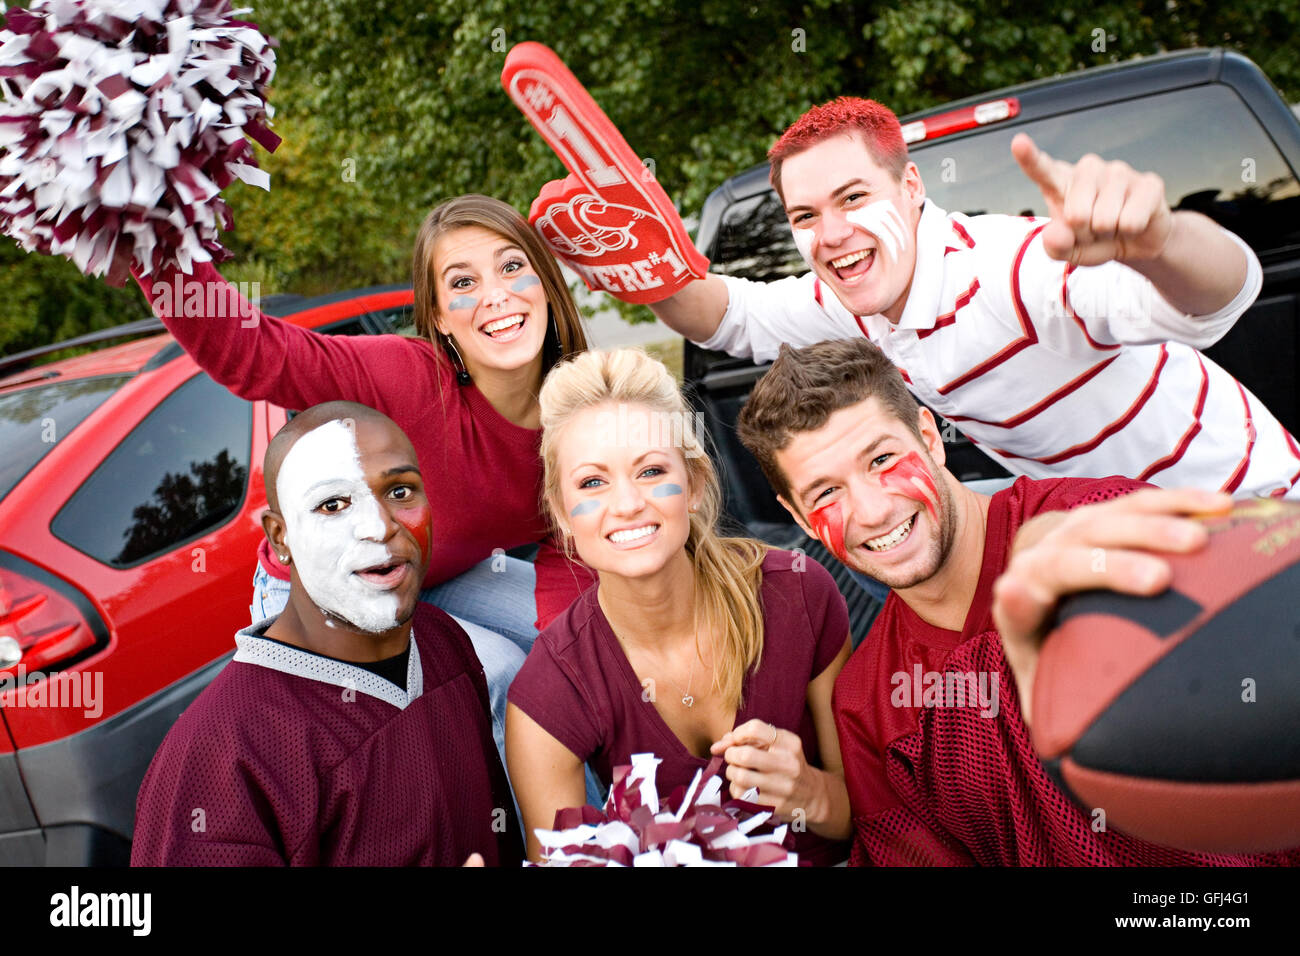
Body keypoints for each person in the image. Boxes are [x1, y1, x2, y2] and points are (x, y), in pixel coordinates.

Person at [523, 88, 1300, 498]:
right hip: (1122, 526)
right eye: (805, 216)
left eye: (853, 198)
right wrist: (655, 277)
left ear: (912, 187)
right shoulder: (845, 298)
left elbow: (1216, 299)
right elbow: (731, 317)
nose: (832, 234)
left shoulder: (1011, 270)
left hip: (1251, 506)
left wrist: (1162, 237)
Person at [735, 337, 1299, 865]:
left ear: (930, 438)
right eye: (826, 492)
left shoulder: (1104, 522)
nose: (874, 511)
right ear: (797, 518)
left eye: (881, 460)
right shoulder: (868, 707)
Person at [134, 194, 596, 764]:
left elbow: (569, 553)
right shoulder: (404, 376)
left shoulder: (574, 414)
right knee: (498, 676)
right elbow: (254, 352)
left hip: (432, 573)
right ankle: (564, 824)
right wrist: (154, 234)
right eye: (462, 282)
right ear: (440, 319)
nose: (495, 295)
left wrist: (575, 655)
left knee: (594, 638)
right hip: (319, 590)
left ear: (546, 281)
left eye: (511, 266)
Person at [131, 401, 522, 866]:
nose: (380, 527)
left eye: (399, 491)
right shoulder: (221, 755)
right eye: (332, 505)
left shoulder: (442, 641)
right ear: (280, 537)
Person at [505, 348, 852, 865]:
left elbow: (876, 815)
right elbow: (559, 857)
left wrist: (811, 793)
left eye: (650, 471)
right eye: (593, 482)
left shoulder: (799, 595)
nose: (627, 504)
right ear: (561, 512)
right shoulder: (548, 693)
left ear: (695, 484)